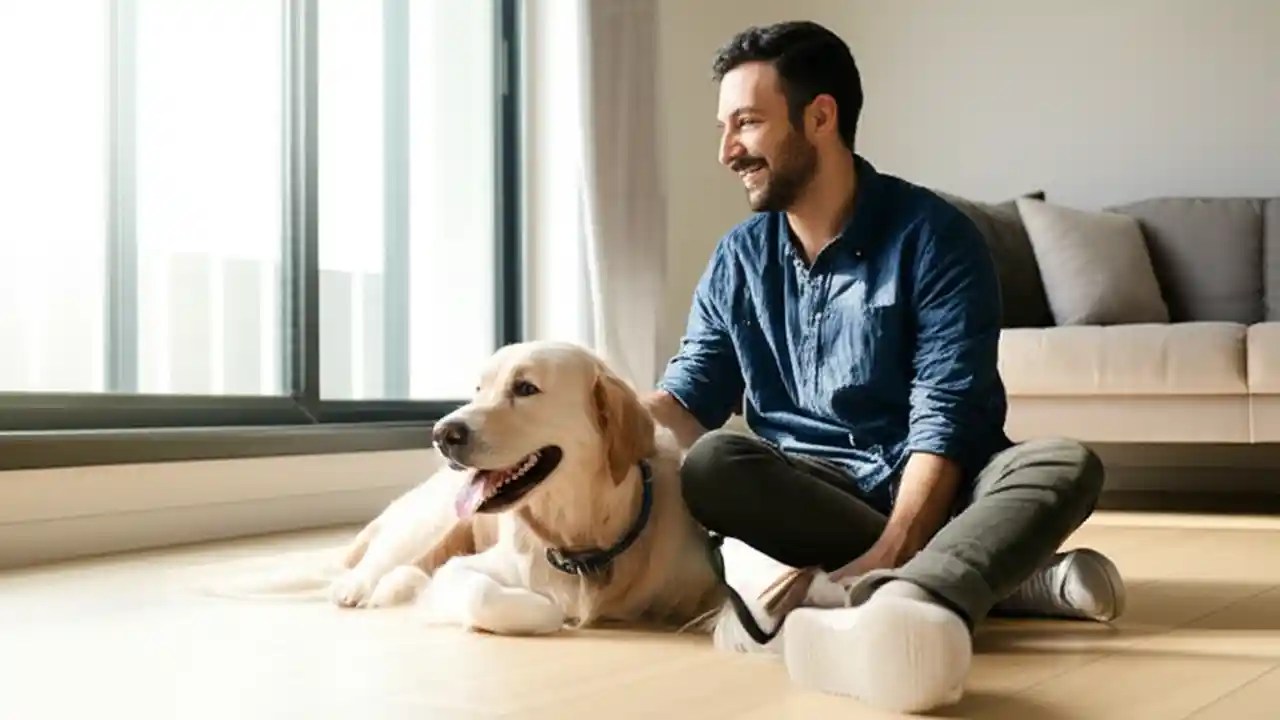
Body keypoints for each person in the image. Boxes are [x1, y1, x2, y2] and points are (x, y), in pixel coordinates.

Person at [643, 20, 1125, 713]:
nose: (727, 150)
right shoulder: (738, 259)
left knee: (1063, 463)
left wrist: (894, 547)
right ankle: (988, 580)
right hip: (812, 492)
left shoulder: (936, 237)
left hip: (944, 484)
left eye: (746, 123)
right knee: (713, 462)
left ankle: (899, 590)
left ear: (820, 116)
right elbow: (687, 398)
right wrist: (585, 413)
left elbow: (947, 413)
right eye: (724, 127)